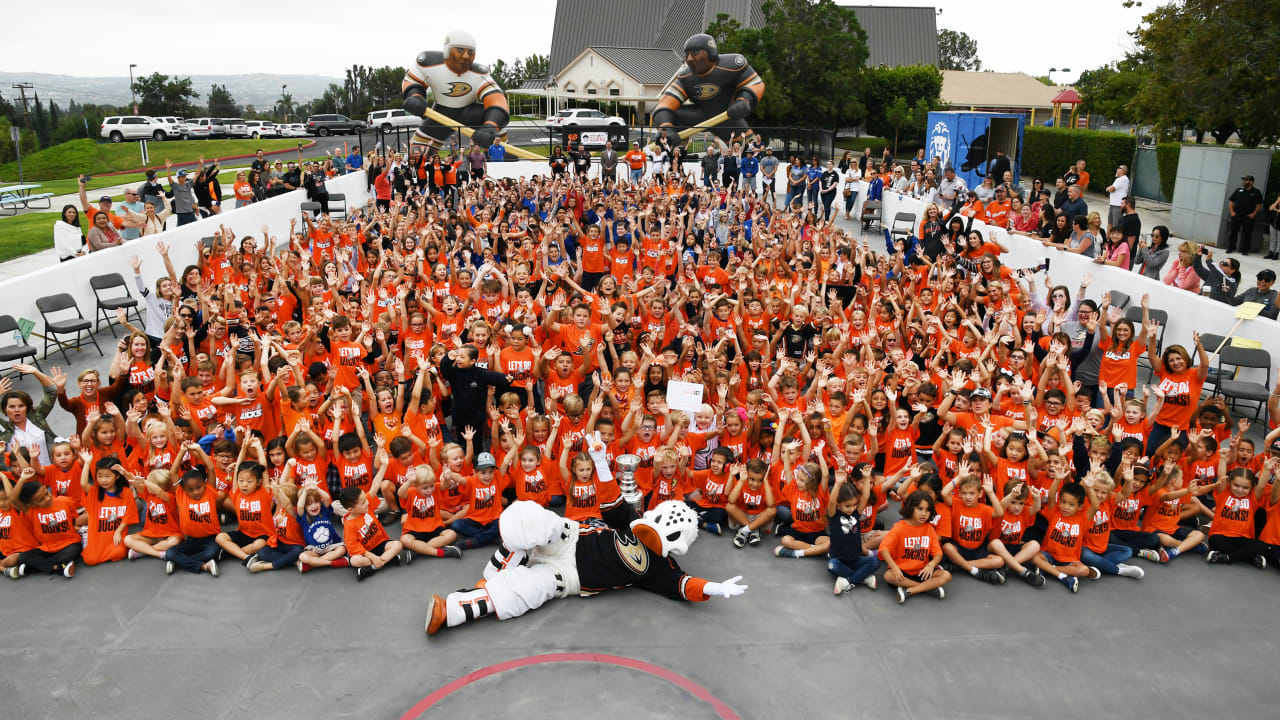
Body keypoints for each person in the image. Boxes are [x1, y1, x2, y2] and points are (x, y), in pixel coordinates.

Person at [424, 500, 746, 634]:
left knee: (530, 590)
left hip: (571, 577)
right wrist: (600, 457)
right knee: (531, 519)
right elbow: (611, 499)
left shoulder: (663, 568)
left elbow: (684, 585)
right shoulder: (633, 520)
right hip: (570, 539)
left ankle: (453, 609)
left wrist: (714, 587)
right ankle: (500, 569)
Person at [402, 30, 510, 153]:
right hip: (440, 115)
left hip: (469, 112)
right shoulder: (428, 64)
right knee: (419, 153)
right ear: (447, 50)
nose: (465, 56)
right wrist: (415, 96)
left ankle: (499, 153)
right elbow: (413, 81)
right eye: (460, 50)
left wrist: (491, 125)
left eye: (470, 52)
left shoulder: (480, 74)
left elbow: (497, 99)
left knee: (494, 128)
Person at [652, 33, 765, 144]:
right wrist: (665, 128)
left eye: (695, 53)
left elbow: (755, 83)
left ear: (710, 53)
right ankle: (673, 146)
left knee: (747, 151)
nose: (690, 58)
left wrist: (745, 100)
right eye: (687, 54)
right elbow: (664, 105)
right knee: (667, 124)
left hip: (728, 116)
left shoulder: (732, 65)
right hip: (700, 116)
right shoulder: (685, 77)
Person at [880, 490, 951, 603]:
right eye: (920, 509)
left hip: (922, 571)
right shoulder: (900, 527)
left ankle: (910, 591)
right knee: (888, 576)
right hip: (902, 572)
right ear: (911, 507)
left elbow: (938, 553)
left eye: (927, 510)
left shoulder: (929, 529)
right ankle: (928, 588)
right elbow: (884, 549)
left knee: (946, 575)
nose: (924, 513)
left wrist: (931, 564)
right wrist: (894, 567)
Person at [1225, 174, 1263, 255]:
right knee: (1233, 233)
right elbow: (1231, 201)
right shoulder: (1239, 190)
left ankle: (1245, 250)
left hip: (1248, 216)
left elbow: (1259, 204)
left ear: (1251, 182)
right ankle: (1230, 248)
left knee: (1247, 234)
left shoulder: (1256, 192)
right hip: (1237, 215)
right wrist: (1232, 212)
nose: (1244, 182)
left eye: (1246, 180)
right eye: (1244, 180)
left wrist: (1254, 214)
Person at [163, 161, 198, 226]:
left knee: (195, 226)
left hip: (190, 211)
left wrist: (201, 164)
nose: (184, 178)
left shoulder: (188, 184)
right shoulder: (175, 186)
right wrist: (168, 168)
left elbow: (197, 175)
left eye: (185, 176)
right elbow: (169, 179)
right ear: (178, 178)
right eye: (182, 177)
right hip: (181, 213)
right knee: (180, 229)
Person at [1105, 164, 1131, 230]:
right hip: (1113, 204)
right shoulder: (1118, 179)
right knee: (1110, 222)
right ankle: (1108, 238)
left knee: (1116, 224)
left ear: (1123, 170)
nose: (1117, 169)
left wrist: (1108, 188)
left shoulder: (1122, 179)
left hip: (1118, 205)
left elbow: (1111, 189)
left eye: (1119, 168)